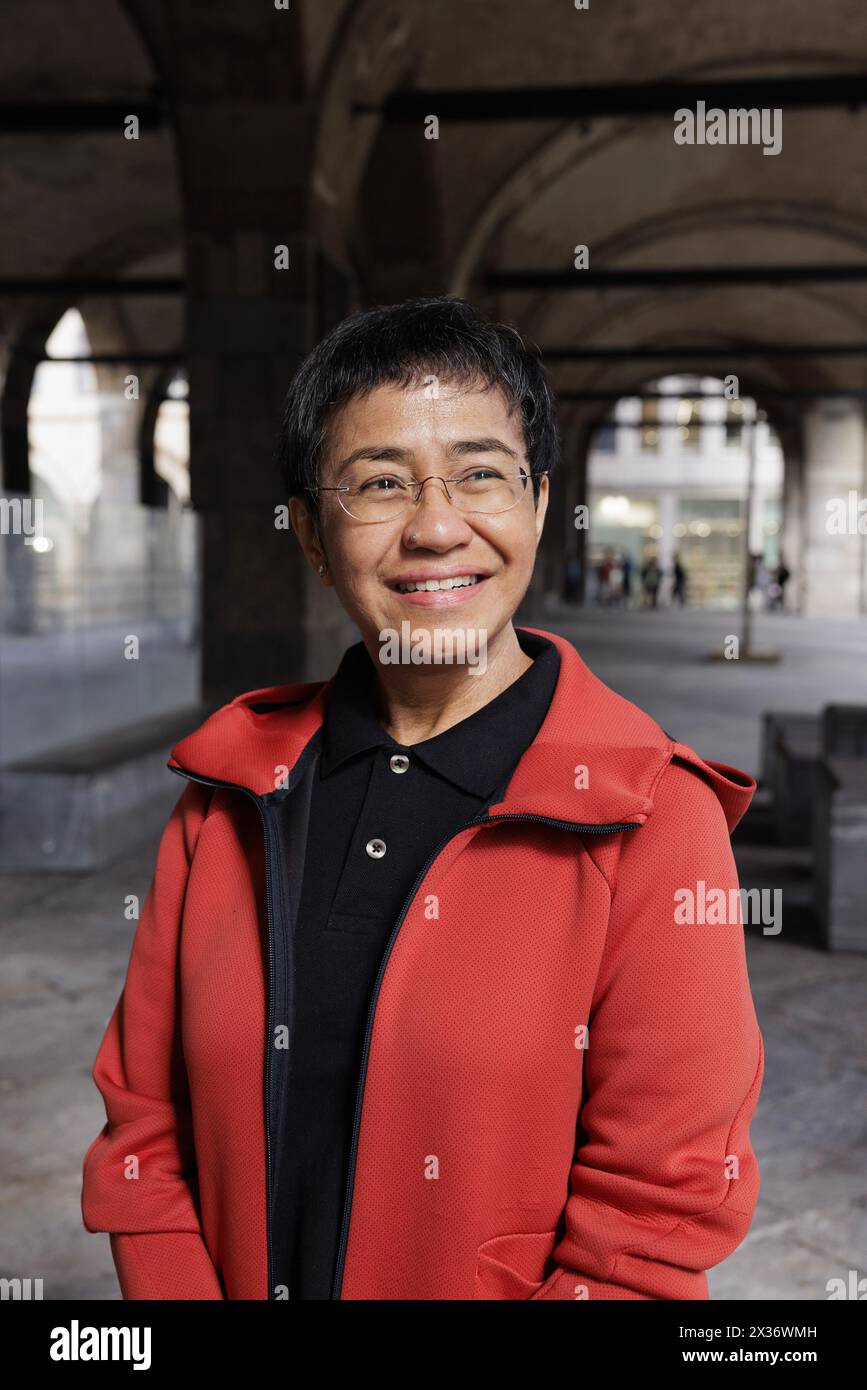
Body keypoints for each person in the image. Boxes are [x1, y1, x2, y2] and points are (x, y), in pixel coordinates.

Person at [81, 296, 764, 1301]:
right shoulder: (229, 797)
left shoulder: (653, 820)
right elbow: (146, 1132)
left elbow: (652, 1224)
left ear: (537, 505)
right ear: (313, 533)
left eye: (482, 474)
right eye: (380, 483)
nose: (438, 526)